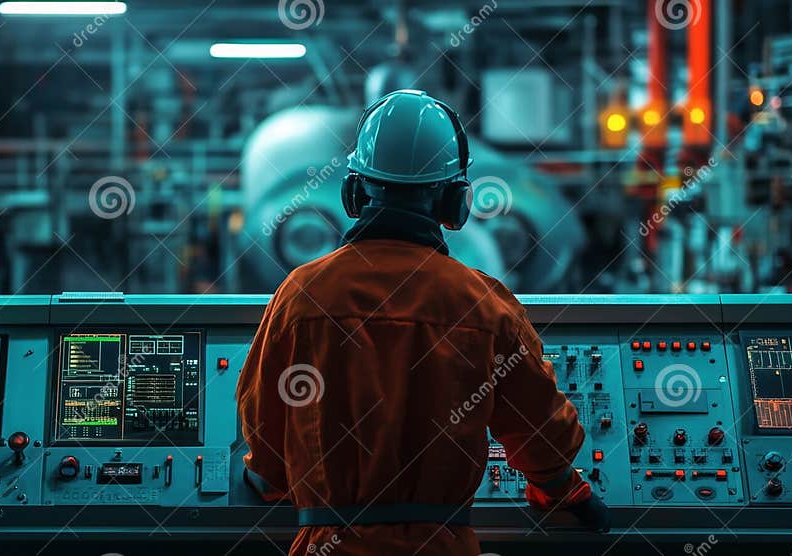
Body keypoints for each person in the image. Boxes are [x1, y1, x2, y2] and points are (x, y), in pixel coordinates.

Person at [237, 89, 609, 556]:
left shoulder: (301, 296)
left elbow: (264, 430)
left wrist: (267, 481)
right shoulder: (485, 306)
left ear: (354, 191)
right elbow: (540, 430)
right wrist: (563, 488)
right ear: (456, 201)